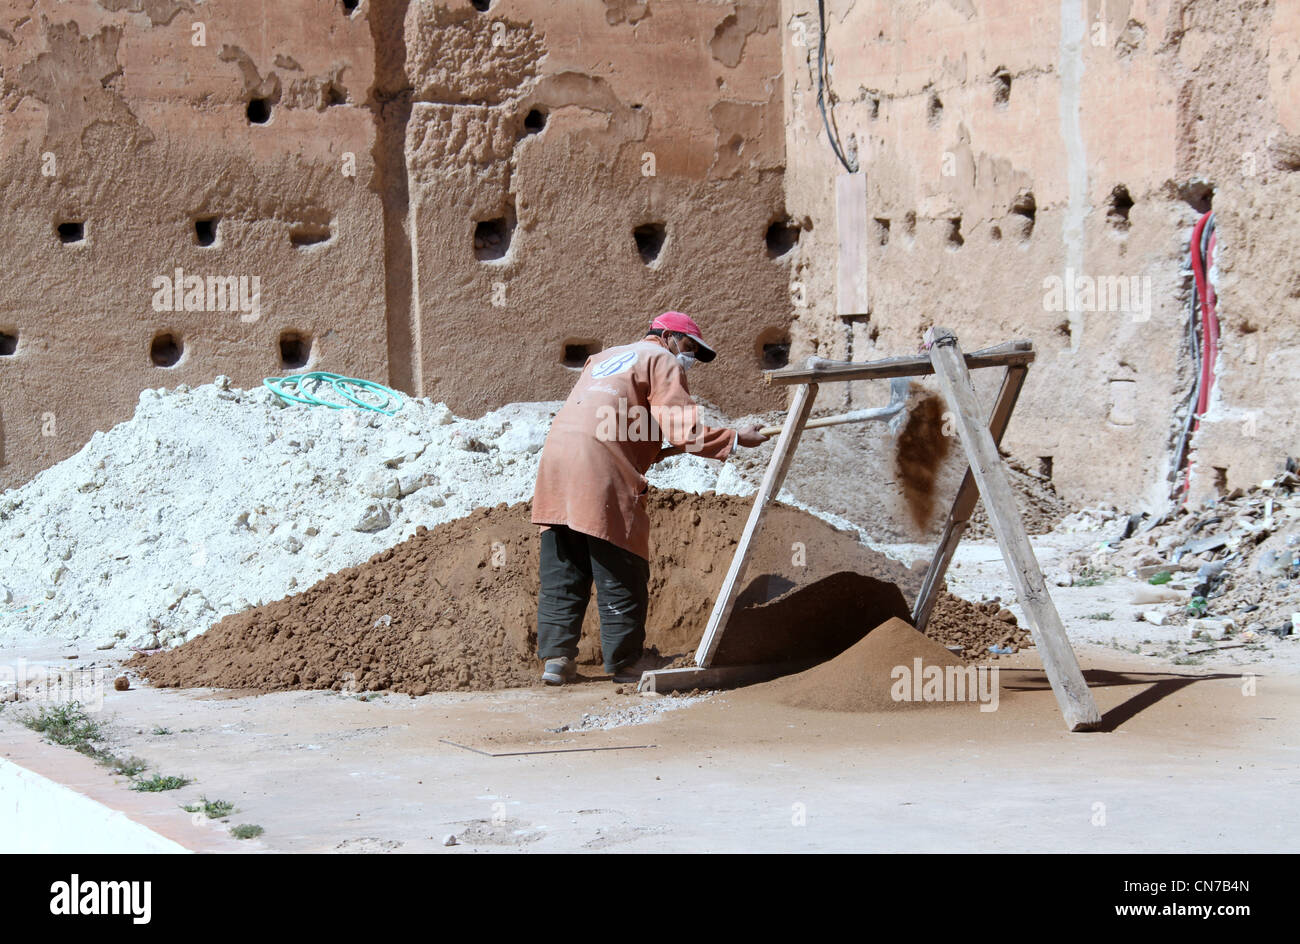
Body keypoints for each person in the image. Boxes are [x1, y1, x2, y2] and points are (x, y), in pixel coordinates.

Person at [531, 311, 768, 685]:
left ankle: (557, 661)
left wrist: (647, 448)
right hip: (600, 469)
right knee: (621, 564)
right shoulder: (661, 359)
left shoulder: (603, 358)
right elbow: (685, 430)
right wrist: (735, 438)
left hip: (556, 463)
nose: (688, 357)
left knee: (566, 567)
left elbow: (612, 417)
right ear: (668, 336)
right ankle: (625, 664)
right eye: (688, 347)